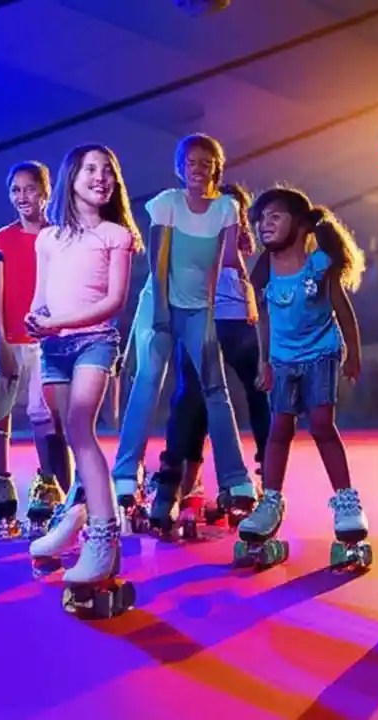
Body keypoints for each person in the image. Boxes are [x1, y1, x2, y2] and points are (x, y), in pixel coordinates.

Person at [111, 133, 257, 530]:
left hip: (198, 309)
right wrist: (161, 311)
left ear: (216, 169)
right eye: (191, 162)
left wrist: (217, 309)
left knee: (215, 388)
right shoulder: (167, 203)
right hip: (159, 302)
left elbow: (221, 265)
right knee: (148, 380)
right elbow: (158, 264)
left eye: (206, 163)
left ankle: (236, 478)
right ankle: (126, 471)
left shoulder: (226, 208)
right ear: (180, 167)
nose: (198, 168)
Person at [25, 144, 140, 593]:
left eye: (108, 170)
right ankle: (75, 514)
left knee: (80, 428)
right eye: (91, 168)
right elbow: (41, 296)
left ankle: (104, 536)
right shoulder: (48, 239)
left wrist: (60, 322)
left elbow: (114, 301)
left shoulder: (116, 235)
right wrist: (37, 319)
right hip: (55, 347)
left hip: (95, 341)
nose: (101, 177)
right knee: (67, 433)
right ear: (71, 177)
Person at [235, 187, 370, 569]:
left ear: (299, 224)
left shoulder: (319, 265)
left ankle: (346, 501)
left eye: (275, 216)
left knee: (322, 425)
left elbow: (342, 310)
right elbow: (264, 321)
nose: (265, 224)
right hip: (282, 361)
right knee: (279, 429)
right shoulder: (263, 272)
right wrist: (264, 362)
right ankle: (270, 501)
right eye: (261, 219)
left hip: (320, 354)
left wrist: (354, 352)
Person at [147, 182, 270, 537]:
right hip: (226, 317)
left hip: (217, 316)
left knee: (196, 396)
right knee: (232, 395)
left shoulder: (220, 229)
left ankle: (180, 482)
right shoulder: (237, 237)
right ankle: (259, 477)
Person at [0, 161, 72, 539]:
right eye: (16, 190)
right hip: (10, 340)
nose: (23, 197)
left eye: (30, 189)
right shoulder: (2, 239)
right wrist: (3, 341)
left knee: (43, 416)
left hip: (46, 341)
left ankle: (50, 483)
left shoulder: (58, 236)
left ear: (45, 192)